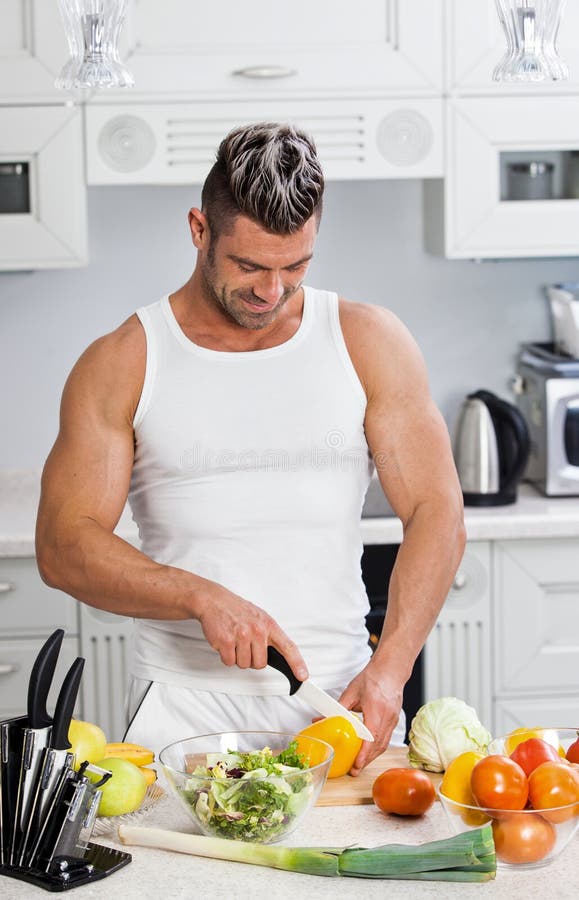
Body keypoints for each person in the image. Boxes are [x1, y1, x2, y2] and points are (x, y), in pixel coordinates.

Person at [36, 122, 465, 773]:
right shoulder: (124, 361)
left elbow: (436, 510)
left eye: (294, 266)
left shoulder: (368, 340)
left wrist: (391, 668)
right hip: (181, 710)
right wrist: (199, 596)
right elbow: (64, 545)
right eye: (249, 266)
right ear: (199, 230)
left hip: (340, 700)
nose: (271, 290)